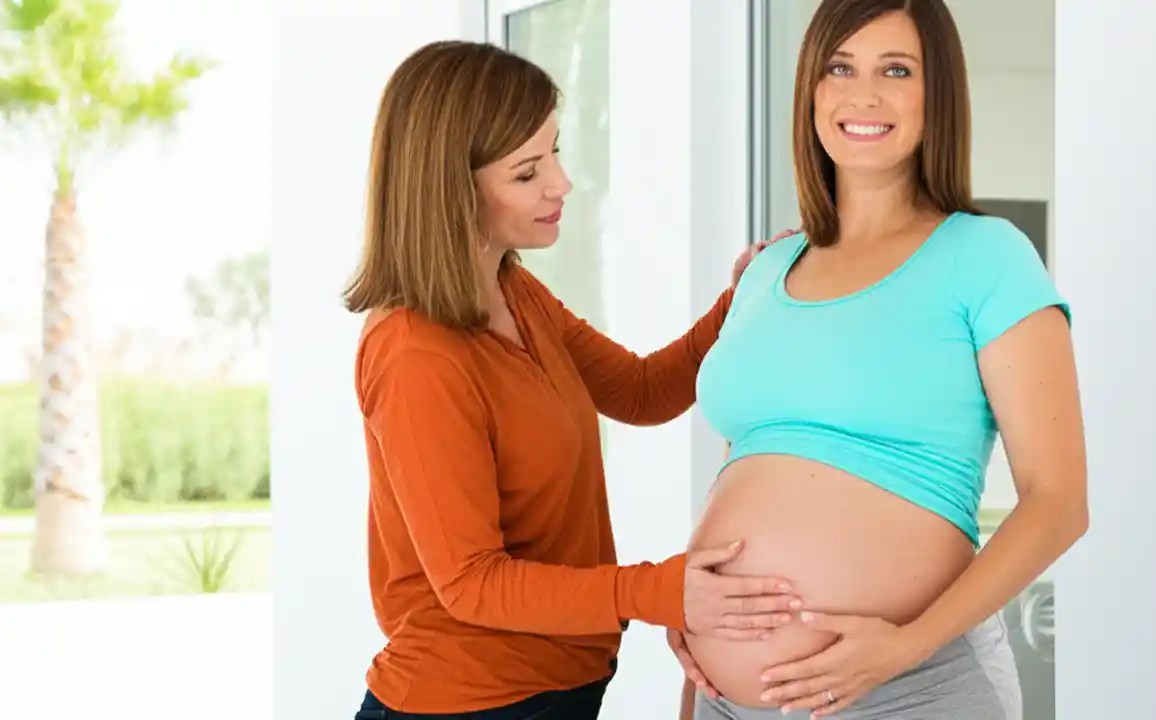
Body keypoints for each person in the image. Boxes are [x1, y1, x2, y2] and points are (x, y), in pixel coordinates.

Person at [342, 40, 801, 720]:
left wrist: (739, 300)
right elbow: (473, 585)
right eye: (528, 172)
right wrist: (660, 591)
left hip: (557, 691)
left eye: (555, 152)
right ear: (450, 187)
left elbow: (643, 393)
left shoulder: (514, 293)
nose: (561, 183)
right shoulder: (415, 354)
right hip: (466, 703)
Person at [671, 1, 1089, 718]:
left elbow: (1058, 504)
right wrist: (691, 610)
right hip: (726, 701)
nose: (863, 95)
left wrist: (908, 644)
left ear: (939, 96)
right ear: (811, 89)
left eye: (896, 70)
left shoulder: (985, 257)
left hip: (908, 689)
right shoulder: (767, 269)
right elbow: (750, 468)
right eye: (841, 67)